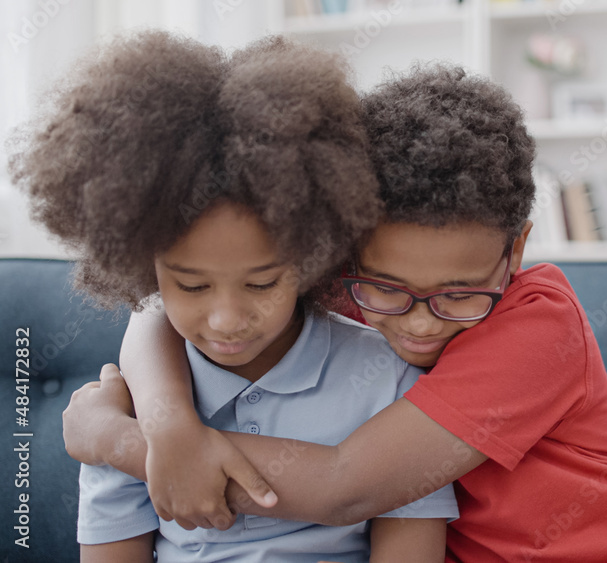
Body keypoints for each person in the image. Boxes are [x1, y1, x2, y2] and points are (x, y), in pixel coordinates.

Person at [62, 64, 607, 561]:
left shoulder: (538, 324)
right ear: (341, 249)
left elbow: (344, 485)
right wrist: (168, 419)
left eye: (459, 293)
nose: (421, 322)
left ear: (516, 250)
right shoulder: (349, 282)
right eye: (389, 290)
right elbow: (157, 309)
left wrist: (123, 443)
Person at [8, 31, 457, 563]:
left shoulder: (387, 378)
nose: (226, 319)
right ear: (142, 264)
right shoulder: (128, 403)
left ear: (315, 254)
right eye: (192, 285)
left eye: (261, 284)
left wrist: (128, 443)